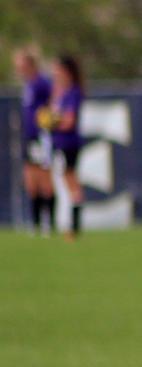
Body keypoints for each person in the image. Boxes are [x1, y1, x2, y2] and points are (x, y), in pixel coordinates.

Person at [13, 47, 55, 235]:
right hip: (28, 137)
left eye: (19, 63)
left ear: (28, 64)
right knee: (30, 182)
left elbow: (54, 100)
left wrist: (46, 121)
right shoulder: (29, 84)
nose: (17, 67)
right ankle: (36, 224)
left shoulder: (41, 82)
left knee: (44, 178)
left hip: (40, 136)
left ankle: (49, 224)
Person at [45, 55, 86, 240]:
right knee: (66, 182)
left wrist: (51, 121)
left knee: (71, 182)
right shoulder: (61, 91)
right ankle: (70, 226)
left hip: (67, 143)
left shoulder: (73, 92)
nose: (54, 73)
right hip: (59, 143)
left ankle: (74, 226)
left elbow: (69, 121)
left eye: (57, 69)